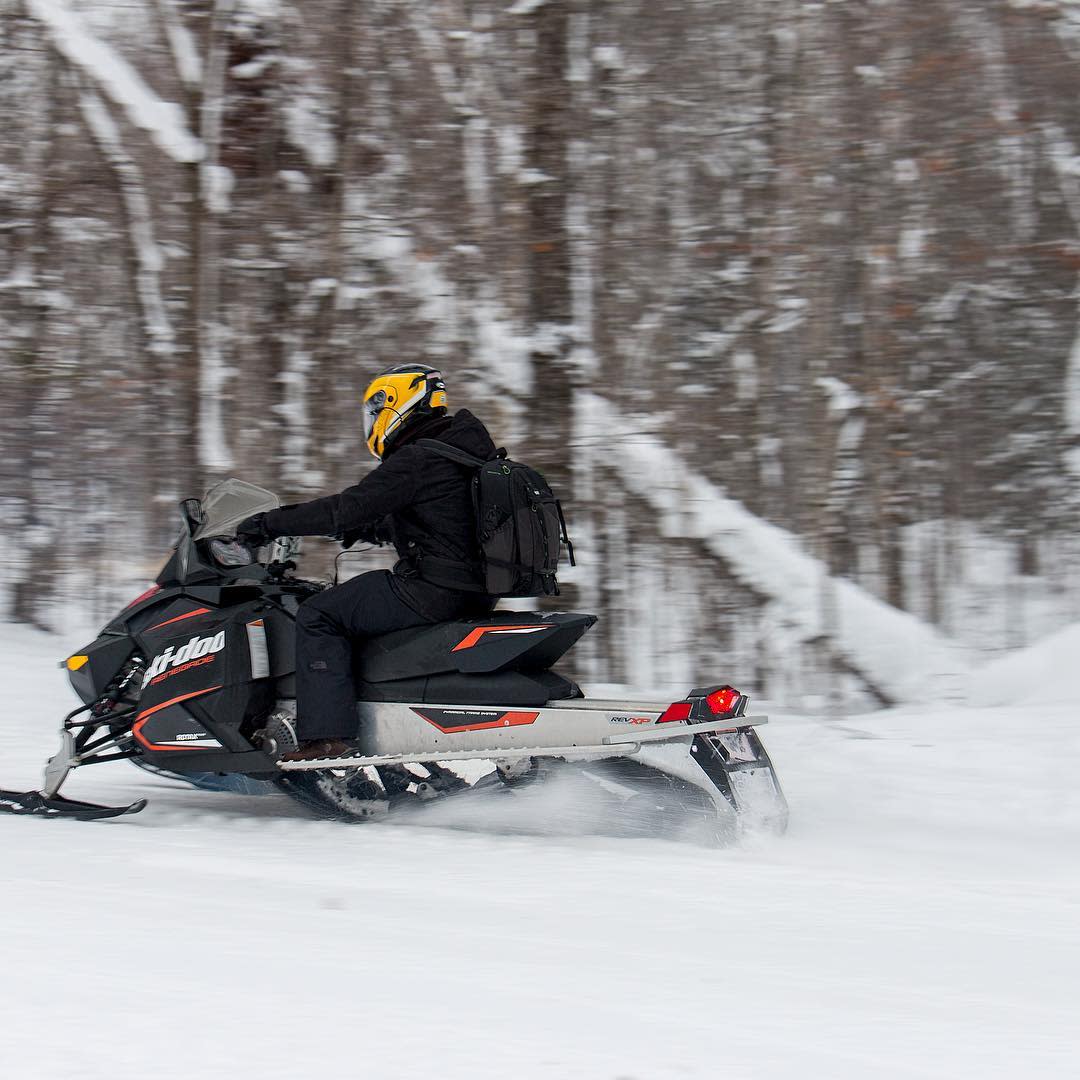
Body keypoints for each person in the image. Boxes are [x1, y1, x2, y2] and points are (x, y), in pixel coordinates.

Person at [235, 364, 497, 761]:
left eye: (376, 411)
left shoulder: (417, 458)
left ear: (394, 404)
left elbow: (346, 507)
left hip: (433, 590)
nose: (373, 421)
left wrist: (268, 524)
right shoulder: (459, 451)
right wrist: (367, 529)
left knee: (319, 614)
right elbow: (443, 520)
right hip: (471, 590)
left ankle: (327, 738)